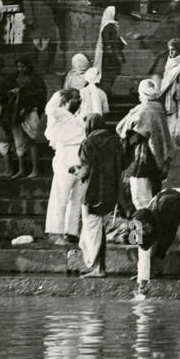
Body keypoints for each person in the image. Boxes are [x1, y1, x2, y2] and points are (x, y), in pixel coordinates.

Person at [73, 113, 124, 278]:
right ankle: (100, 267)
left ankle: (98, 268)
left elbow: (85, 169)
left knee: (92, 232)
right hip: (110, 192)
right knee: (99, 230)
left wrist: (78, 173)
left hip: (91, 193)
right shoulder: (115, 141)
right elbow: (122, 164)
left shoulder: (88, 143)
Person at [117, 78, 176, 209]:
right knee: (153, 197)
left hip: (141, 159)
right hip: (155, 160)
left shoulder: (144, 109)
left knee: (141, 199)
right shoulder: (158, 107)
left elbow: (124, 130)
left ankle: (146, 220)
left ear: (142, 92)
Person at [131, 187, 180, 294]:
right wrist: (142, 282)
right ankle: (148, 274)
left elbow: (169, 236)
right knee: (147, 249)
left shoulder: (168, 215)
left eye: (145, 229)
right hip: (163, 197)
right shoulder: (139, 224)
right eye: (141, 230)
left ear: (150, 225)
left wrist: (158, 256)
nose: (142, 232)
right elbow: (143, 252)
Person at [44, 88, 85, 245]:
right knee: (68, 197)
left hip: (74, 158)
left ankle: (67, 232)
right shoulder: (64, 115)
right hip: (71, 158)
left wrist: (61, 96)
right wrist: (61, 96)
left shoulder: (72, 118)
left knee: (69, 197)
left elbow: (50, 109)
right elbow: (50, 109)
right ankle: (60, 233)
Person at [1, 59, 46, 179]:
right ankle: (21, 169)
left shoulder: (36, 78)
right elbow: (5, 91)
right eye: (19, 66)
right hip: (16, 113)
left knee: (32, 140)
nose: (20, 69)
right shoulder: (14, 77)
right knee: (19, 141)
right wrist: (12, 92)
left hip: (30, 112)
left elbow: (40, 95)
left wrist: (30, 106)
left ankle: (35, 169)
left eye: (23, 66)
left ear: (28, 66)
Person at [157, 38, 180, 139]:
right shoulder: (170, 62)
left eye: (173, 50)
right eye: (169, 50)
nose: (171, 53)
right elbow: (166, 78)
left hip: (179, 95)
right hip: (169, 95)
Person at [93, 5, 126, 95]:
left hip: (111, 56)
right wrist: (117, 56)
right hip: (110, 58)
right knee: (109, 77)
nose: (118, 16)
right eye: (116, 14)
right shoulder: (109, 27)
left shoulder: (111, 26)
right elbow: (109, 44)